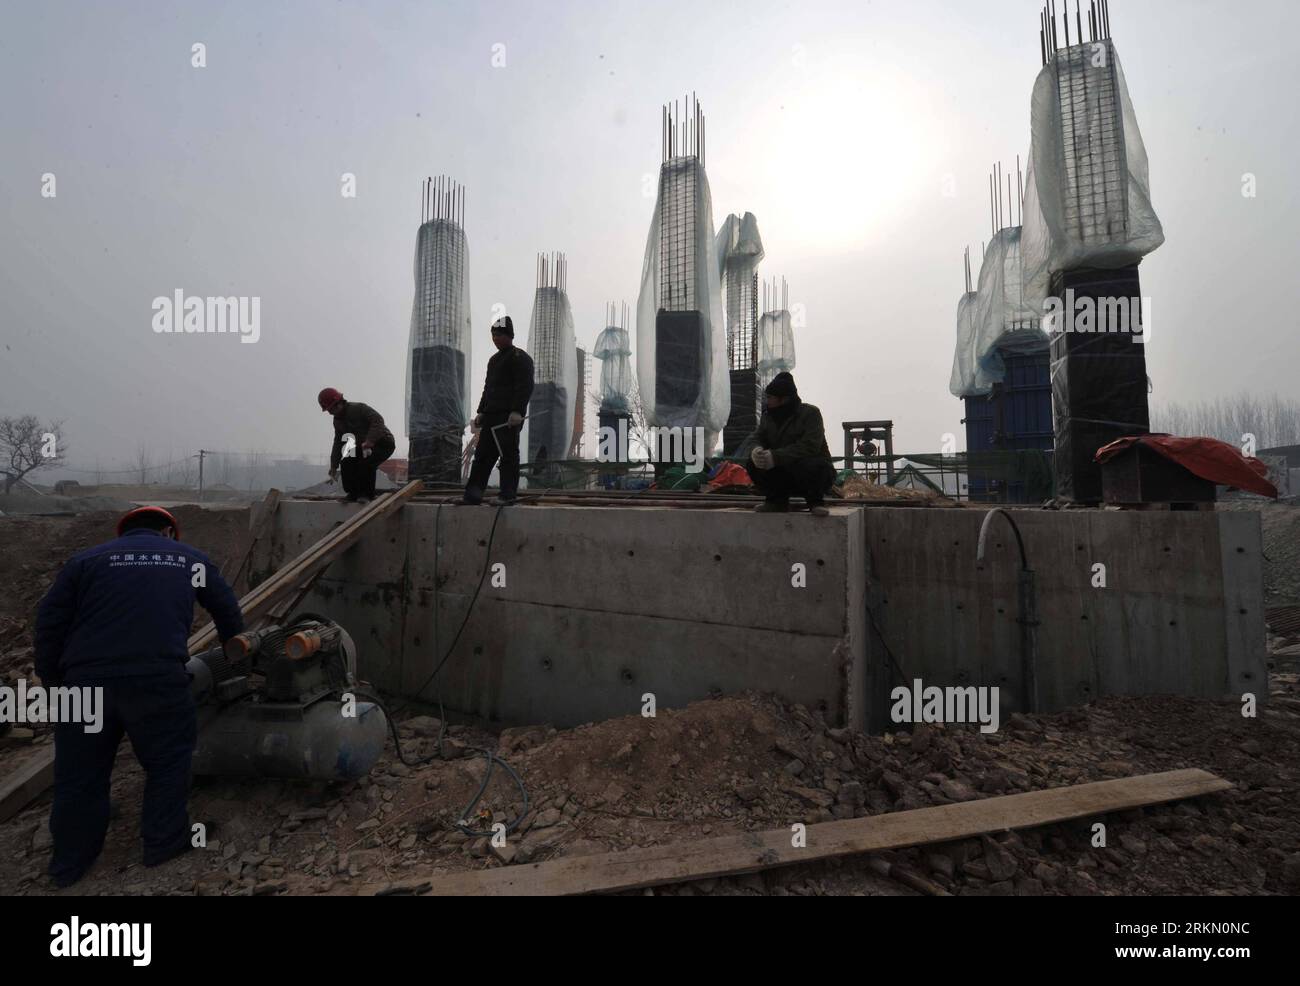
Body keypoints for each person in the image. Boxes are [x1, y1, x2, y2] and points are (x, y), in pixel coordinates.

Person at [33, 506, 244, 887]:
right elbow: (227, 610)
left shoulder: (86, 562)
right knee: (166, 762)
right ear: (167, 532)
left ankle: (69, 866)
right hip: (157, 679)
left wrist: (55, 683)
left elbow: (49, 624)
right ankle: (163, 843)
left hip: (85, 682)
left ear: (123, 533)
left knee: (79, 775)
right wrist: (236, 652)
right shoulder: (189, 559)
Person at [461, 316, 534, 505]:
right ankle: (473, 494)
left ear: (509, 335)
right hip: (492, 415)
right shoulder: (493, 361)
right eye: (493, 335)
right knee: (482, 456)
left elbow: (524, 386)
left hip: (507, 417)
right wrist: (481, 411)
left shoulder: (520, 358)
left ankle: (508, 495)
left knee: (508, 455)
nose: (495, 338)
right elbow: (488, 387)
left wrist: (517, 410)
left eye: (498, 335)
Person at [744, 371, 836, 515]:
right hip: (784, 473)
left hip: (810, 474)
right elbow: (756, 437)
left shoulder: (810, 414)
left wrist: (776, 457)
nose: (766, 401)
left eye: (770, 397)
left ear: (784, 399)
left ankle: (815, 502)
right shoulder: (767, 417)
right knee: (753, 463)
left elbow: (810, 446)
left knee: (813, 465)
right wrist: (756, 449)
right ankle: (776, 502)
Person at [318, 387, 396, 503]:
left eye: (331, 409)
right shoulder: (338, 421)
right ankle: (353, 494)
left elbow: (378, 420)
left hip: (383, 443)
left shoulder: (359, 409)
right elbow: (338, 442)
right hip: (362, 446)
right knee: (347, 462)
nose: (330, 413)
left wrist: (370, 441)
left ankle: (366, 495)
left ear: (339, 403)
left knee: (366, 462)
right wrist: (334, 466)